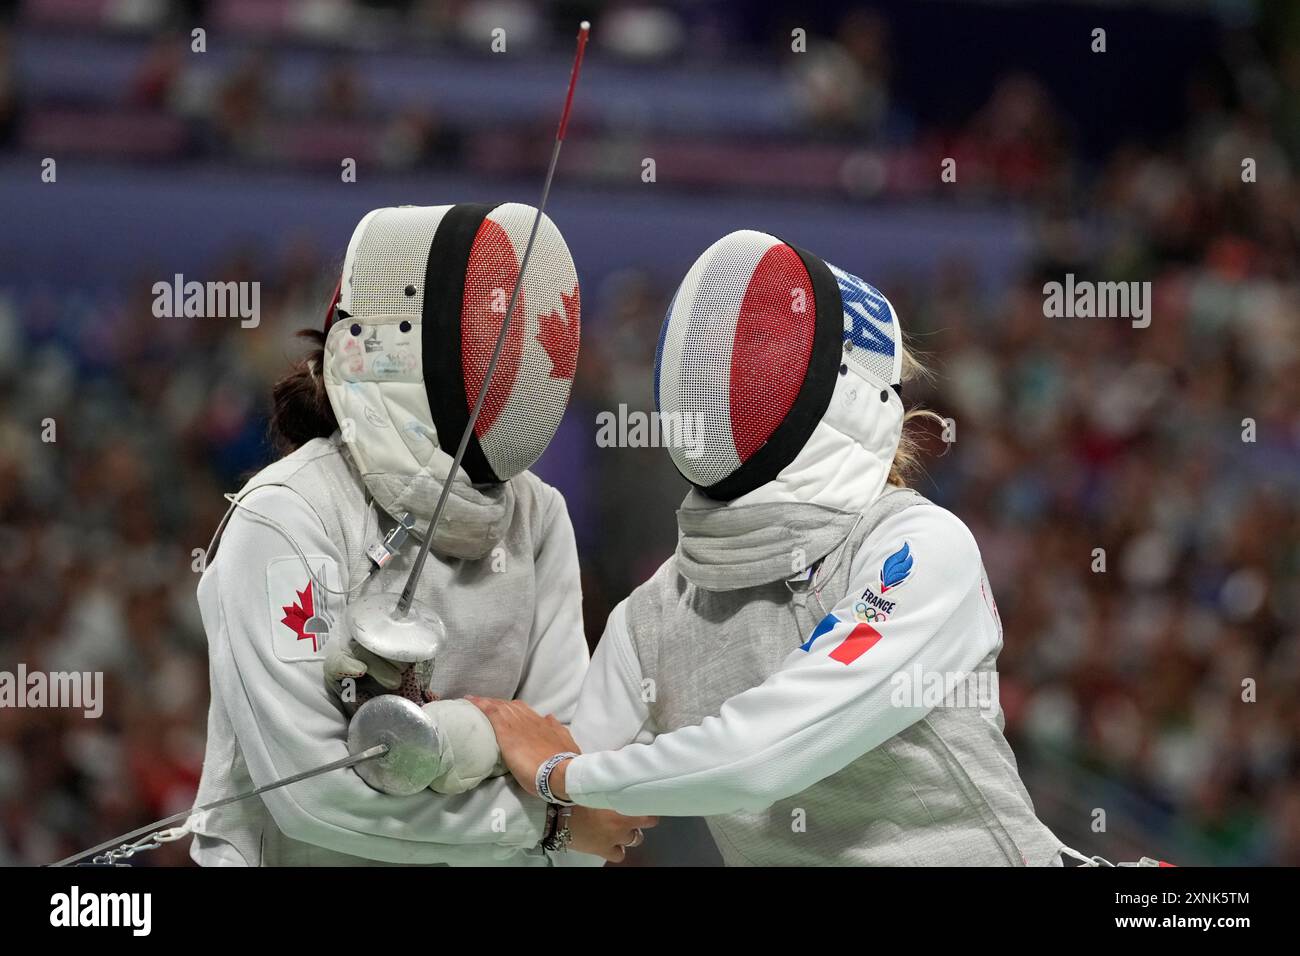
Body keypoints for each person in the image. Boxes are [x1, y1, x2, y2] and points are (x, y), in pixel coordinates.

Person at [472, 229, 1065, 866]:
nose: (730, 381)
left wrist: (562, 777)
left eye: (763, 363)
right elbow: (567, 840)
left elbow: (767, 752)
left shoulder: (915, 548)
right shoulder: (651, 616)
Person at [190, 202, 653, 865]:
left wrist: (504, 773)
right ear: (400, 346)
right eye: (489, 336)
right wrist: (541, 818)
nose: (524, 361)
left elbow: (563, 752)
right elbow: (314, 799)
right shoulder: (287, 516)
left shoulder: (536, 514)